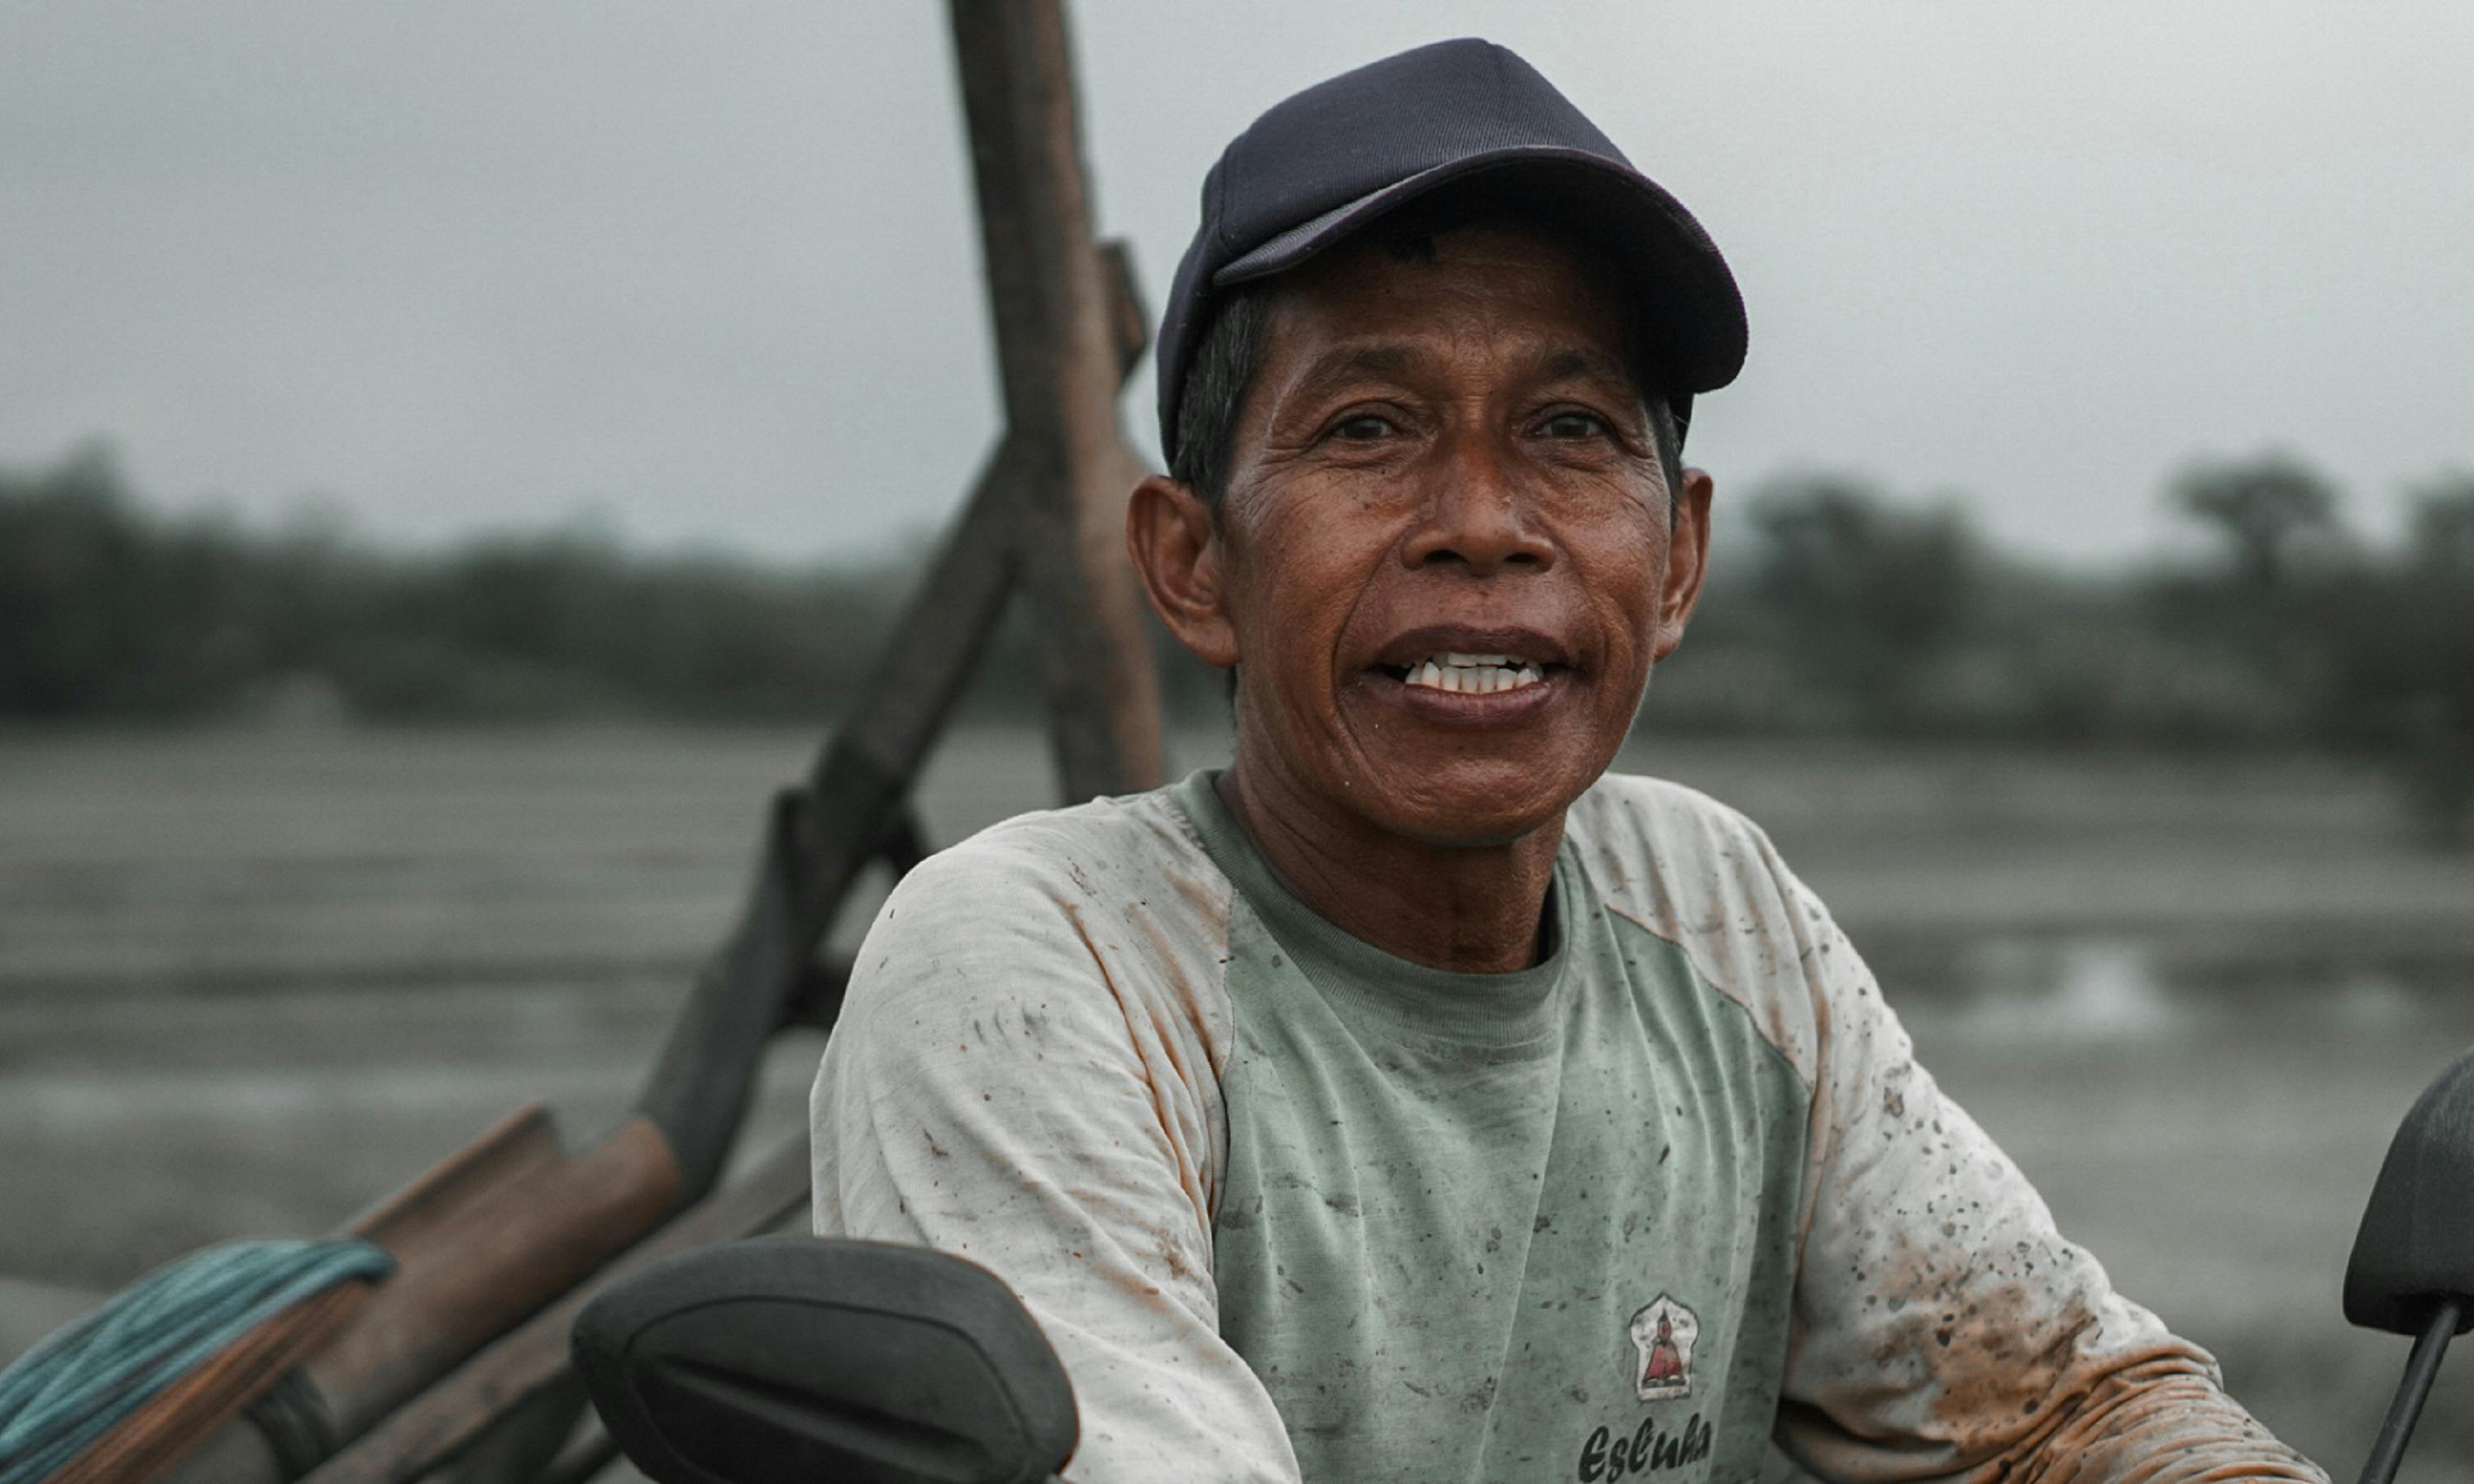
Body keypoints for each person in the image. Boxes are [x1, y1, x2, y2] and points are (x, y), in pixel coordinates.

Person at [811, 38, 2324, 1484]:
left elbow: (2049, 1406)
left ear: (1675, 561)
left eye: (1569, 427)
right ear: (1193, 562)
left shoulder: (1709, 907)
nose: (1483, 517)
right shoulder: (1040, 961)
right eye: (1367, 427)